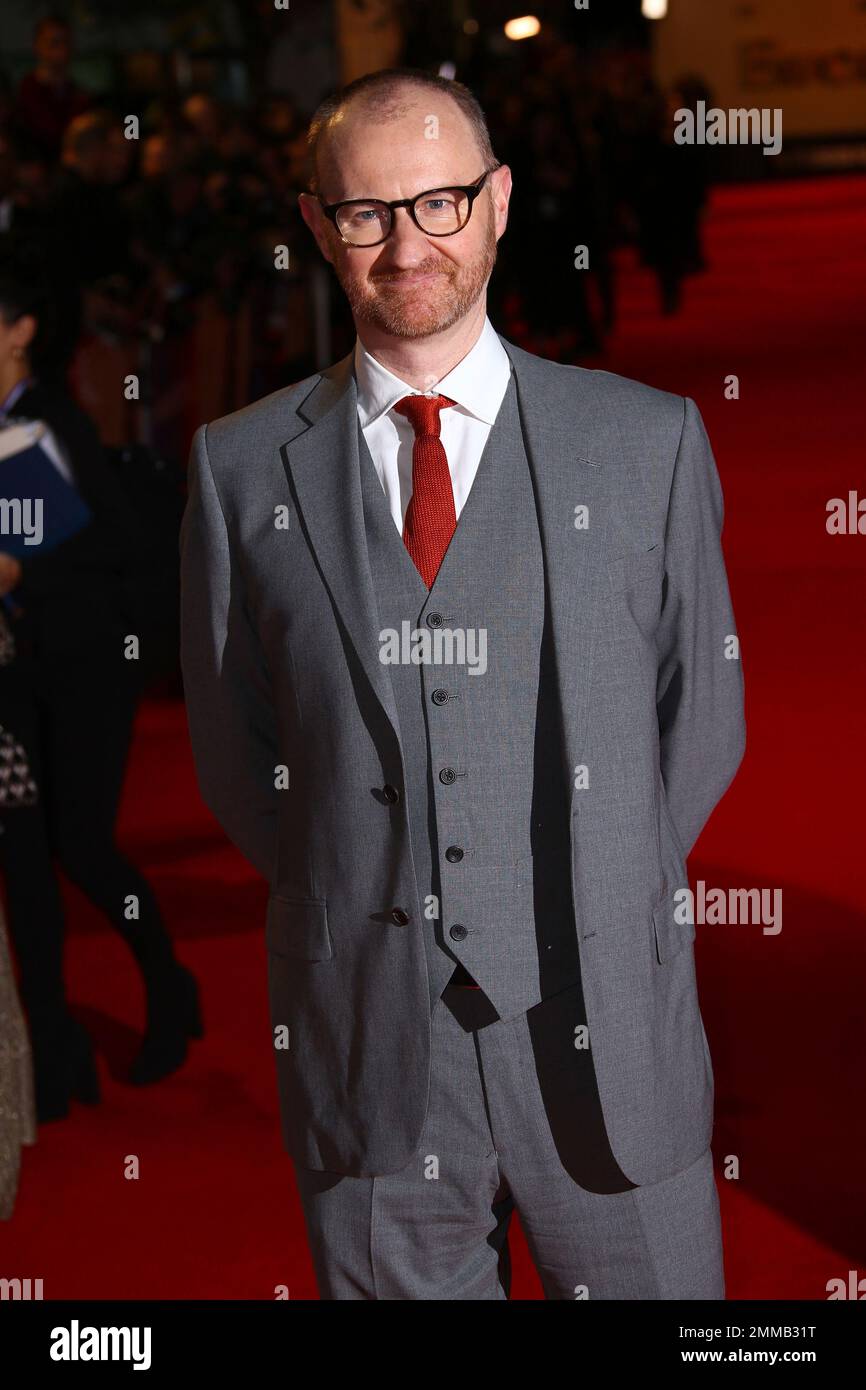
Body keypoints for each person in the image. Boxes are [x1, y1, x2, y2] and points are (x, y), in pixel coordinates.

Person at [180, 68, 745, 1300]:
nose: (404, 244)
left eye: (437, 203)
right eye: (367, 212)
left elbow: (698, 720)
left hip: (606, 1040)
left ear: (495, 204)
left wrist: (601, 877)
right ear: (318, 226)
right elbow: (239, 755)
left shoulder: (645, 441)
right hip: (371, 1053)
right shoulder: (237, 469)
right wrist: (363, 893)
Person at [0, 237, 202, 1118]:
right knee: (22, 859)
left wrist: (23, 568)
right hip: (14, 673)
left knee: (79, 845)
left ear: (20, 330)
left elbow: (88, 547)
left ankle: (169, 984)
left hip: (87, 662)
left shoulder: (42, 418)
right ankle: (52, 1053)